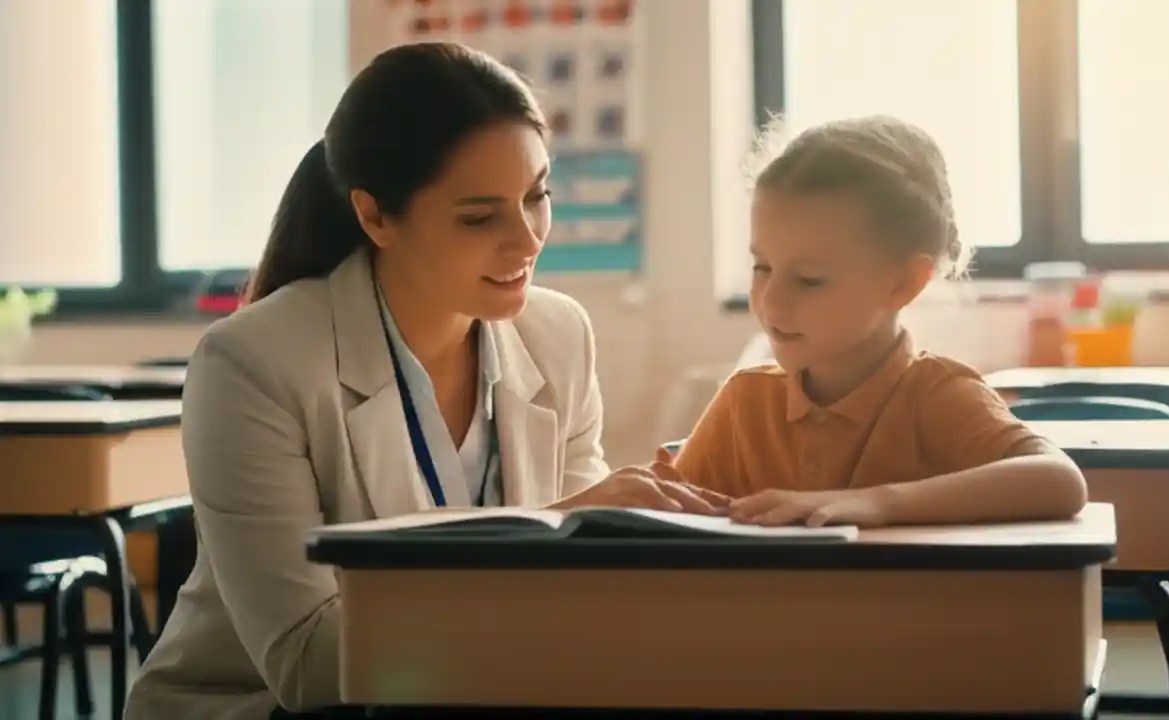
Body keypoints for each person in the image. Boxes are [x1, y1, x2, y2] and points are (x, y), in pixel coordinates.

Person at [125, 42, 726, 720]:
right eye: (479, 217)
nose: (527, 240)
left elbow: (576, 592)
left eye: (538, 196)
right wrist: (552, 527)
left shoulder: (558, 336)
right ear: (376, 216)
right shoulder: (252, 363)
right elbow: (309, 663)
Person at [672, 116, 1087, 529]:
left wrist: (878, 503)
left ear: (904, 284)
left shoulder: (939, 397)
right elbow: (660, 517)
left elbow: (1060, 482)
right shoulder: (745, 402)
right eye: (762, 268)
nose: (771, 300)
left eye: (809, 280)